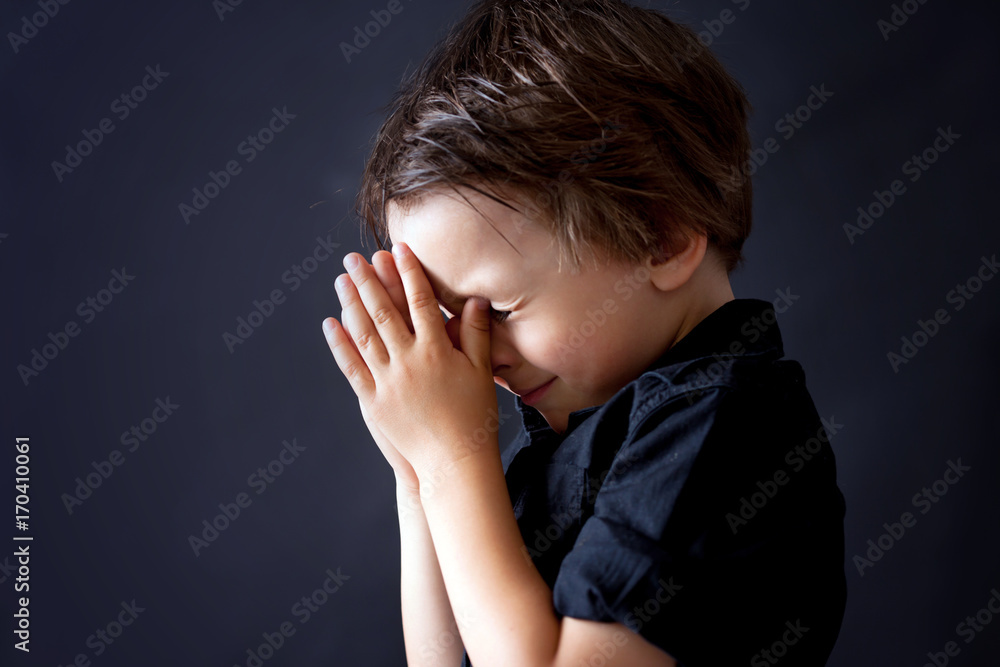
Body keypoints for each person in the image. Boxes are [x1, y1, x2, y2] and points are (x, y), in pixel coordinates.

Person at [321, 1, 847, 665]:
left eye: (500, 309)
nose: (479, 358)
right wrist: (419, 471)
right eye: (454, 319)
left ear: (660, 236)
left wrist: (453, 459)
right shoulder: (572, 444)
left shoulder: (722, 429)